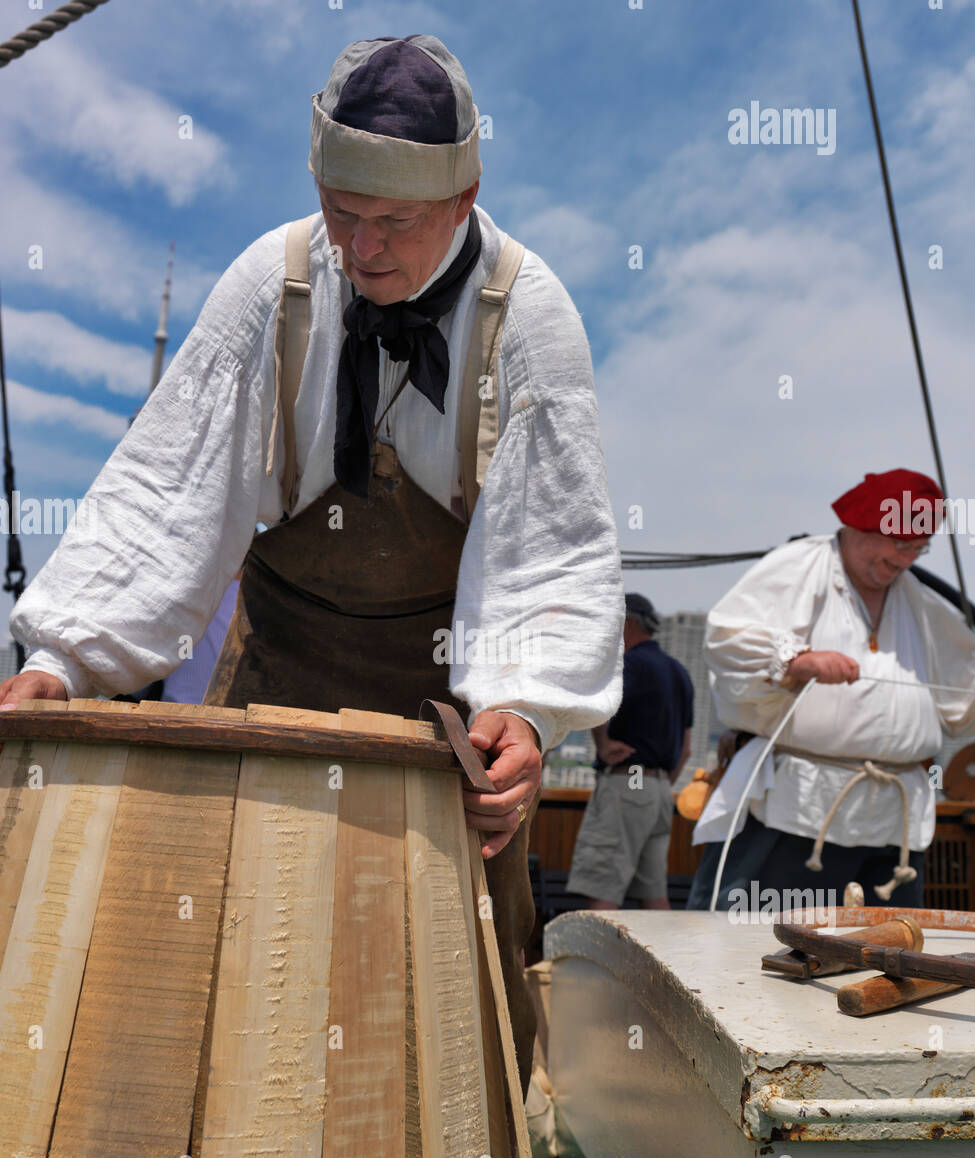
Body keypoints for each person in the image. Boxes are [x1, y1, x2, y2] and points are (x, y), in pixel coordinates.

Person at [0, 35, 624, 1091]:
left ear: (464, 198)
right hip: (274, 684)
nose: (362, 248)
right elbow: (166, 487)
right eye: (342, 212)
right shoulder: (276, 281)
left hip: (444, 724)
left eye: (395, 223)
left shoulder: (529, 317)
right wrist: (62, 658)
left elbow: (549, 551)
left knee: (444, 1018)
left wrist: (522, 711)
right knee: (229, 977)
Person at [687, 468, 975, 912]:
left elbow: (962, 694)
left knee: (886, 946)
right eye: (900, 544)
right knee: (758, 943)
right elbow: (728, 639)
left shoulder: (921, 601)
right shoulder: (799, 565)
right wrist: (797, 662)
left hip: (893, 821)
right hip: (796, 808)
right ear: (861, 527)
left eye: (919, 548)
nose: (906, 560)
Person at [566, 593, 693, 910]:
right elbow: (687, 749)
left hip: (629, 782)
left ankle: (596, 948)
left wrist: (603, 745)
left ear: (628, 622)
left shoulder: (628, 664)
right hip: (660, 791)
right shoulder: (679, 672)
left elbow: (598, 705)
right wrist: (656, 783)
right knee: (654, 894)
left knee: (603, 888)